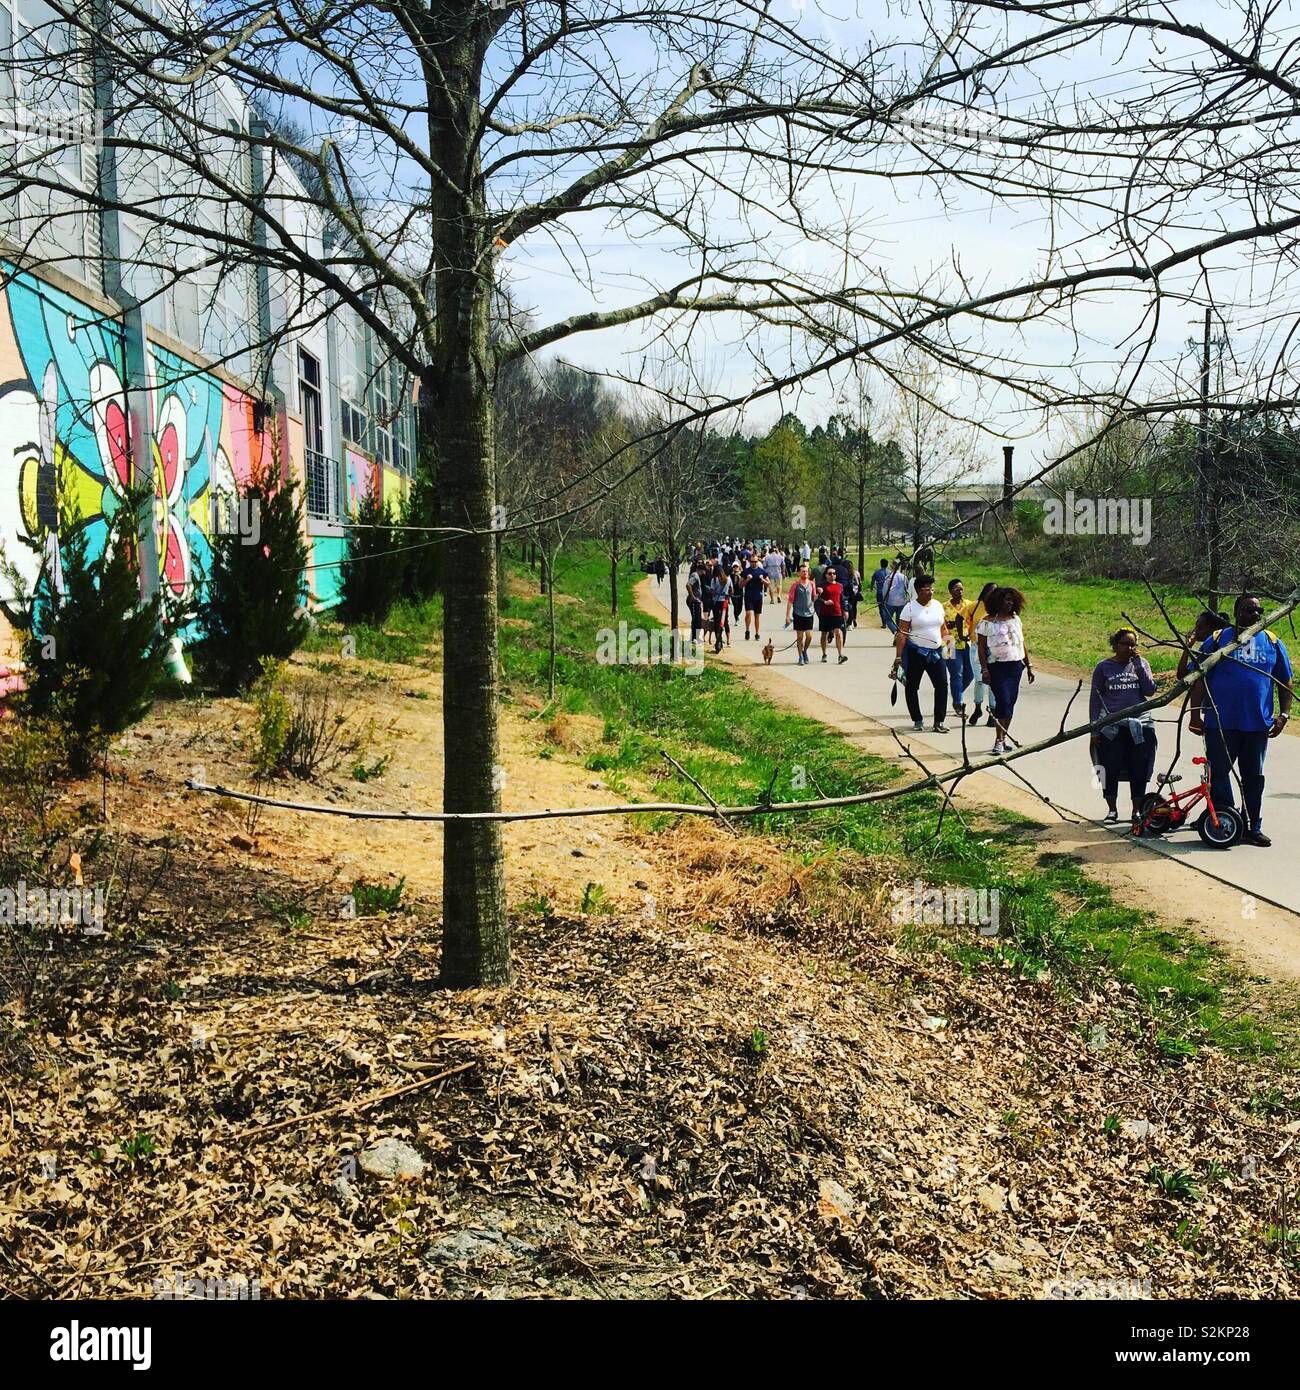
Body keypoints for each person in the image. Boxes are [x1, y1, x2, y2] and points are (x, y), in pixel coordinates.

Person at [1188, 594, 1293, 847]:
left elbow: (1285, 681)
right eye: (1248, 611)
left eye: (1259, 612)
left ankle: (1252, 826)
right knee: (1219, 774)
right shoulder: (1217, 639)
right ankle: (1225, 822)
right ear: (1236, 612)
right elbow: (1199, 678)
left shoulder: (1272, 641)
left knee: (1253, 777)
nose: (1255, 616)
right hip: (1219, 724)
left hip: (1257, 725)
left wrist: (1284, 715)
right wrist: (1194, 714)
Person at [1089, 628, 1158, 824]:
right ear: (1115, 645)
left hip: (1140, 724)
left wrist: (1138, 665)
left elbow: (1150, 691)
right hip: (1112, 726)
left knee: (1139, 768)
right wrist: (1094, 729)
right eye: (1125, 644)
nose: (1130, 648)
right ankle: (1112, 810)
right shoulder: (1103, 667)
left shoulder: (1141, 663)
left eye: (1133, 644)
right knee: (1110, 767)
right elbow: (1096, 699)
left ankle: (1137, 811)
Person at [976, 587, 1034, 756]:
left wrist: (1028, 666)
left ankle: (1003, 736)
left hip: (1015, 667)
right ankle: (998, 740)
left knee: (1010, 702)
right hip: (997, 667)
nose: (1008, 603)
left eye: (1011, 600)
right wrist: (985, 669)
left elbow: (1021, 643)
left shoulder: (1015, 620)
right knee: (1003, 702)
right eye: (1005, 600)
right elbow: (981, 649)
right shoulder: (986, 623)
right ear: (997, 602)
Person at [891, 573, 950, 732]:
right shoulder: (909, 608)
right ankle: (917, 719)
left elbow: (943, 628)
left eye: (932, 589)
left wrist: (950, 651)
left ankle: (939, 721)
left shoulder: (937, 605)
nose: (930, 592)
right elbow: (902, 634)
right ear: (917, 590)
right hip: (916, 653)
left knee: (942, 685)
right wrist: (898, 657)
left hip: (936, 653)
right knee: (912, 686)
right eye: (926, 589)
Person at [942, 578, 976, 719]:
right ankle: (958, 703)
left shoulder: (970, 605)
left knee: (970, 674)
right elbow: (939, 624)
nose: (960, 591)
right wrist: (947, 626)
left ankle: (957, 693)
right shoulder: (944, 607)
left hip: (968, 642)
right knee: (956, 674)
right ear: (950, 591)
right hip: (949, 642)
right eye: (956, 589)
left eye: (961, 589)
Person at [966, 582, 998, 725]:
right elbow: (960, 617)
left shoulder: (999, 608)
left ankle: (993, 713)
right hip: (976, 646)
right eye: (990, 591)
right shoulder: (975, 606)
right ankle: (977, 707)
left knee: (992, 682)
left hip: (994, 648)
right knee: (979, 680)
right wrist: (962, 634)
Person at [1177, 609, 1229, 680]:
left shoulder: (1208, 648)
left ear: (1214, 630)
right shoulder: (1224, 644)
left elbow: (1182, 674)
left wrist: (1187, 647)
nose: (1195, 631)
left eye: (1200, 628)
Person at [786, 562, 818, 665]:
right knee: (800, 637)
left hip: (809, 613)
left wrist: (820, 593)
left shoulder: (812, 584)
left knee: (809, 636)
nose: (805, 573)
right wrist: (788, 615)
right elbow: (790, 601)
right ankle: (800, 656)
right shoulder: (795, 585)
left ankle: (805, 650)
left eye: (806, 571)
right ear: (800, 573)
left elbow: (813, 598)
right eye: (803, 571)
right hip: (798, 613)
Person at [817, 566, 847, 663]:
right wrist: (824, 601)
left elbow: (842, 599)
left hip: (837, 613)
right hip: (825, 613)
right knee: (824, 634)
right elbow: (816, 599)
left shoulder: (840, 586)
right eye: (829, 573)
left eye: (834, 573)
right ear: (826, 575)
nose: (832, 575)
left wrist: (845, 610)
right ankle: (824, 653)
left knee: (838, 633)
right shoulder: (822, 585)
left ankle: (840, 655)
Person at [742, 555, 770, 640]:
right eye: (752, 562)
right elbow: (740, 584)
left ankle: (757, 633)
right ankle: (747, 630)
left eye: (755, 561)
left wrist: (763, 580)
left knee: (757, 616)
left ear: (758, 562)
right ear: (749, 562)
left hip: (758, 596)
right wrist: (747, 580)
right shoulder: (746, 571)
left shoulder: (762, 571)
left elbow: (768, 584)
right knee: (748, 613)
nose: (753, 563)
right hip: (748, 595)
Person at [883, 560, 909, 633]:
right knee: (899, 621)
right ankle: (899, 633)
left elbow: (885, 590)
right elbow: (906, 588)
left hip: (890, 602)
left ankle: (895, 632)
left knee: (888, 619)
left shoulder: (888, 577)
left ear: (892, 567)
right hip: (901, 602)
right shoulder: (904, 577)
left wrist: (884, 599)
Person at [686, 565, 704, 646]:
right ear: (699, 570)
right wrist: (692, 596)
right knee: (695, 619)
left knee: (698, 619)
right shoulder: (695, 576)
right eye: (702, 570)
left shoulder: (698, 576)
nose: (703, 572)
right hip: (694, 601)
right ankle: (693, 638)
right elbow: (688, 585)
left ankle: (696, 637)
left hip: (697, 601)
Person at [870, 557, 891, 628]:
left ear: (880, 564)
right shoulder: (890, 573)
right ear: (887, 564)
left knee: (881, 607)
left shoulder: (877, 572)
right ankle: (889, 621)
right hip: (888, 592)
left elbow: (873, 580)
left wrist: (871, 588)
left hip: (880, 592)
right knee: (888, 607)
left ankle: (884, 623)